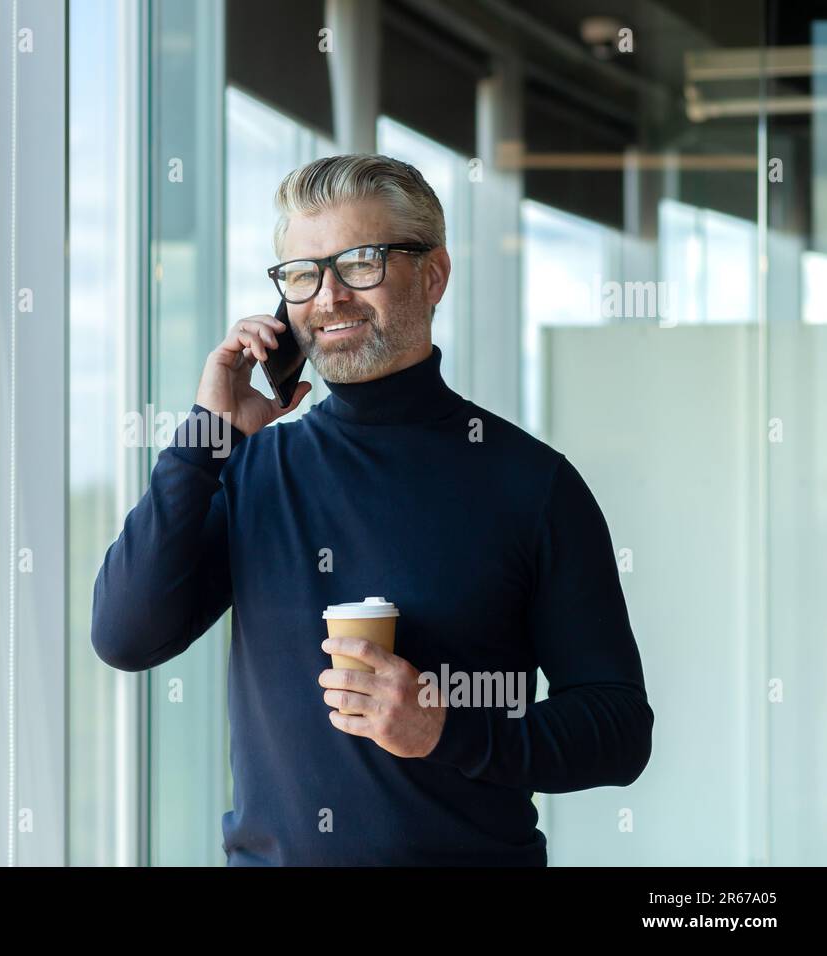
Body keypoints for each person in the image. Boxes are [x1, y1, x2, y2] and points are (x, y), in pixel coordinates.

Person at [90, 153, 653, 866]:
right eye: (302, 274)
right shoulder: (254, 470)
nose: (329, 298)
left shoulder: (533, 485)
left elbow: (618, 729)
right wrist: (208, 437)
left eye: (361, 262)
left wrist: (447, 729)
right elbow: (125, 636)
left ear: (434, 274)